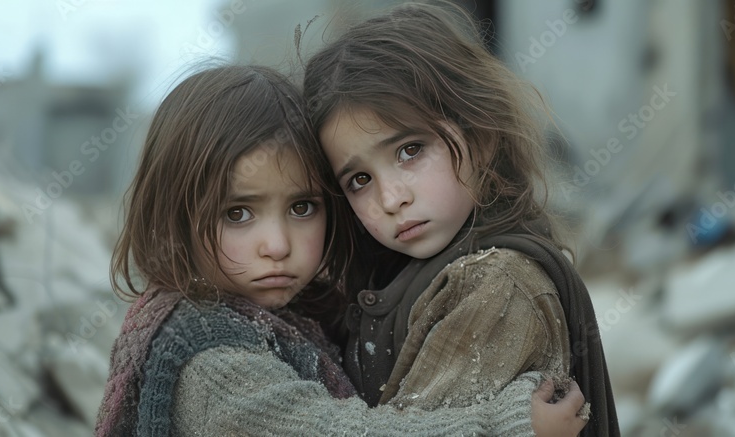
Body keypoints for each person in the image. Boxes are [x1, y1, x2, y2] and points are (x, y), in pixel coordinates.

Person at [94, 64, 588, 436]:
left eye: (303, 207)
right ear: (173, 217)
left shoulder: (294, 317)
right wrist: (507, 425)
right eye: (237, 214)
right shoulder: (214, 368)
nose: (277, 246)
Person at [303, 3, 620, 436]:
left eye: (410, 151)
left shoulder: (495, 286)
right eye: (359, 179)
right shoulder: (391, 274)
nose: (392, 198)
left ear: (481, 137)